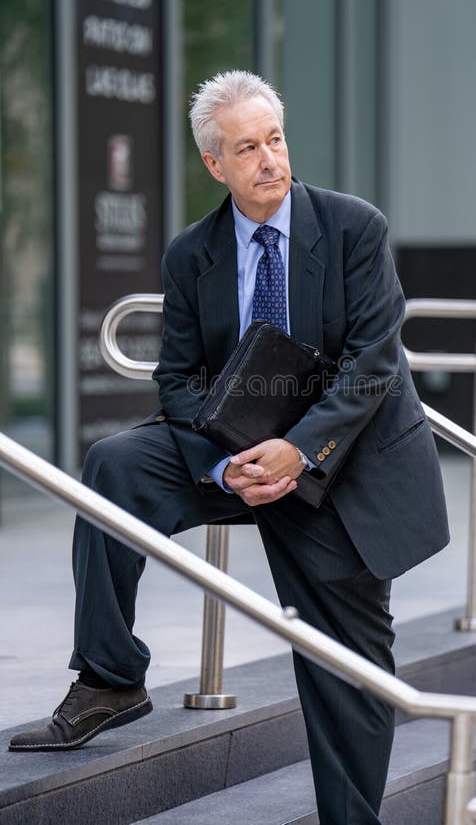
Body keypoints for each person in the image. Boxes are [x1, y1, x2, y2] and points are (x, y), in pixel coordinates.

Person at [9, 70, 449, 824]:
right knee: (112, 466)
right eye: (247, 148)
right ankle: (112, 676)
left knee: (349, 665)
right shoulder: (192, 255)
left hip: (338, 464)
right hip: (235, 455)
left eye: (275, 139)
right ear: (215, 164)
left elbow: (373, 365)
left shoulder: (354, 228)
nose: (270, 160)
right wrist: (223, 465)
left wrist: (298, 452)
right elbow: (178, 379)